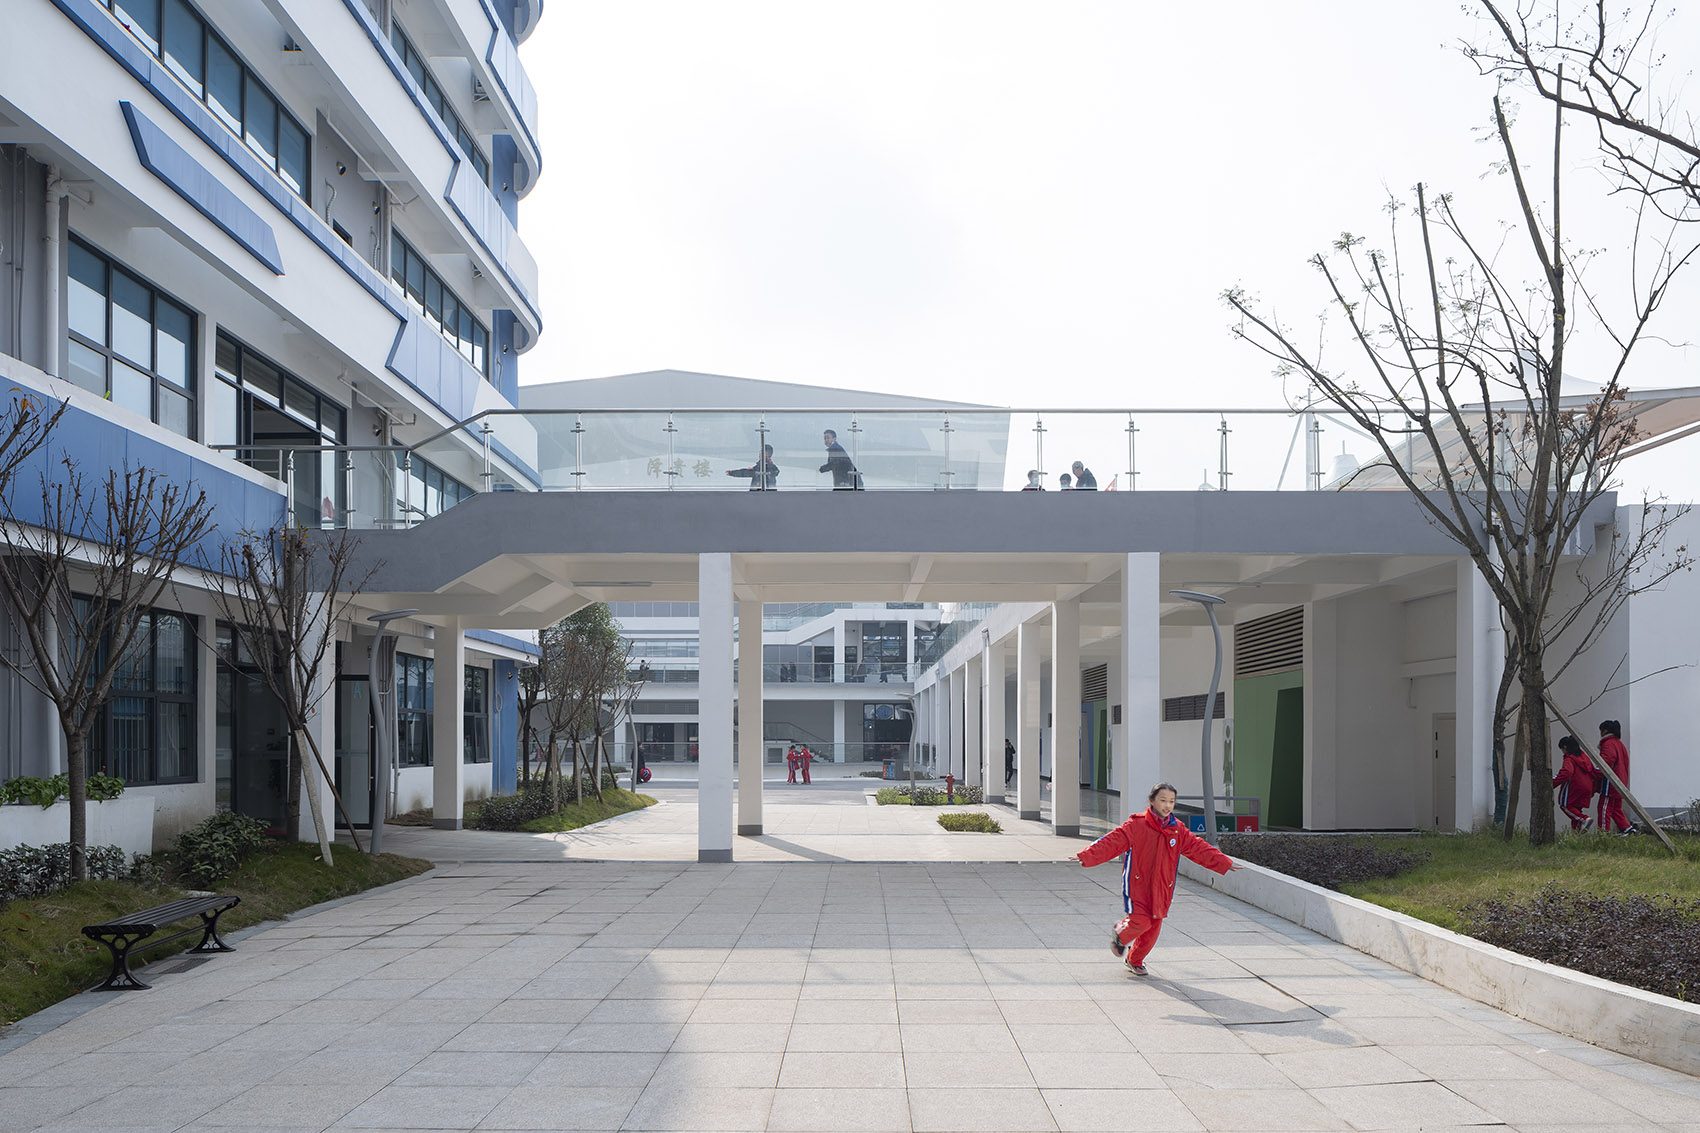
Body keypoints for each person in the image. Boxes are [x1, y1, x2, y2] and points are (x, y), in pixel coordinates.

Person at [1076, 782, 1242, 975]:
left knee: (1152, 930)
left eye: (1171, 801)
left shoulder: (1177, 829)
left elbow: (1198, 848)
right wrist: (1086, 855)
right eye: (1163, 800)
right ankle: (1120, 934)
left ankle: (1134, 960)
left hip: (1163, 888)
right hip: (1138, 885)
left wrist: (1224, 862)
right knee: (1141, 922)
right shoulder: (1137, 825)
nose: (1167, 805)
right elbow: (1112, 840)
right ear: (1152, 801)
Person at [1595, 720, 1635, 834]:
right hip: (1620, 781)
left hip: (1610, 782)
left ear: (1605, 731)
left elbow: (1605, 763)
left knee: (1604, 807)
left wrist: (1594, 773)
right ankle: (1626, 828)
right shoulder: (1619, 744)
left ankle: (1603, 833)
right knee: (1616, 808)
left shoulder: (1608, 744)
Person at [1552, 734, 1595, 832]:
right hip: (1587, 787)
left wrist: (1552, 783)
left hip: (1575, 786)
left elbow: (1567, 773)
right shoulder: (1584, 757)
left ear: (1565, 747)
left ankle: (1584, 819)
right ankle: (1576, 833)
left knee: (1565, 805)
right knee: (1576, 810)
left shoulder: (1569, 758)